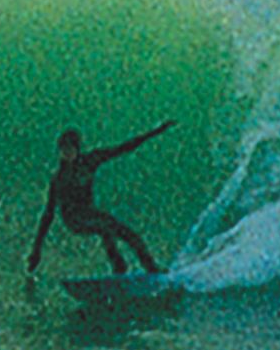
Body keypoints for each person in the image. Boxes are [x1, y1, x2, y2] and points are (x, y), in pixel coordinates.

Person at [26, 120, 174, 283]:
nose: (66, 152)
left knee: (129, 234)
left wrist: (156, 131)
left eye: (70, 148)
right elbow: (48, 215)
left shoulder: (90, 161)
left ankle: (152, 269)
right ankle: (119, 266)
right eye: (63, 149)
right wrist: (36, 250)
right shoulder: (58, 179)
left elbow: (123, 148)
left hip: (92, 213)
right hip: (74, 220)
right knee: (105, 228)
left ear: (77, 148)